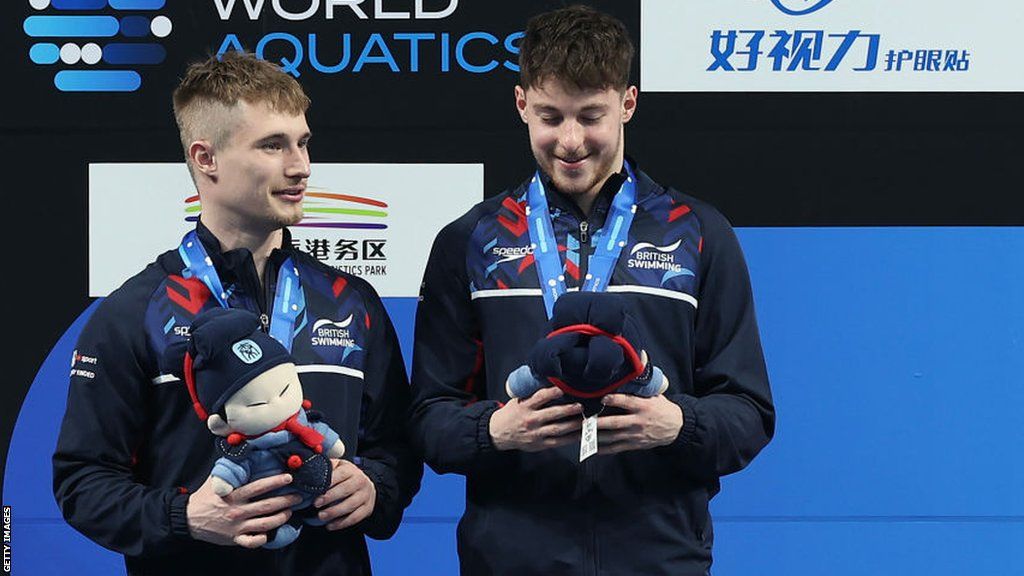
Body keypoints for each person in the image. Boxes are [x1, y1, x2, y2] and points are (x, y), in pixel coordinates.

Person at [409, 5, 775, 575]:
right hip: (510, 559)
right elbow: (429, 417)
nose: (571, 141)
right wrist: (492, 431)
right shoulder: (470, 240)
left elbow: (749, 412)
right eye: (551, 116)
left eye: (591, 116)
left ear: (628, 103)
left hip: (661, 558)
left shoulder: (700, 234)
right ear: (521, 103)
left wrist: (677, 424)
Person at [53, 52, 421, 576]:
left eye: (302, 142)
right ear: (206, 158)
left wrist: (373, 487)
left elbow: (397, 451)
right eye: (272, 145)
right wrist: (184, 516)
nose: (300, 166)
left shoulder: (351, 300)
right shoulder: (132, 313)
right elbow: (83, 483)